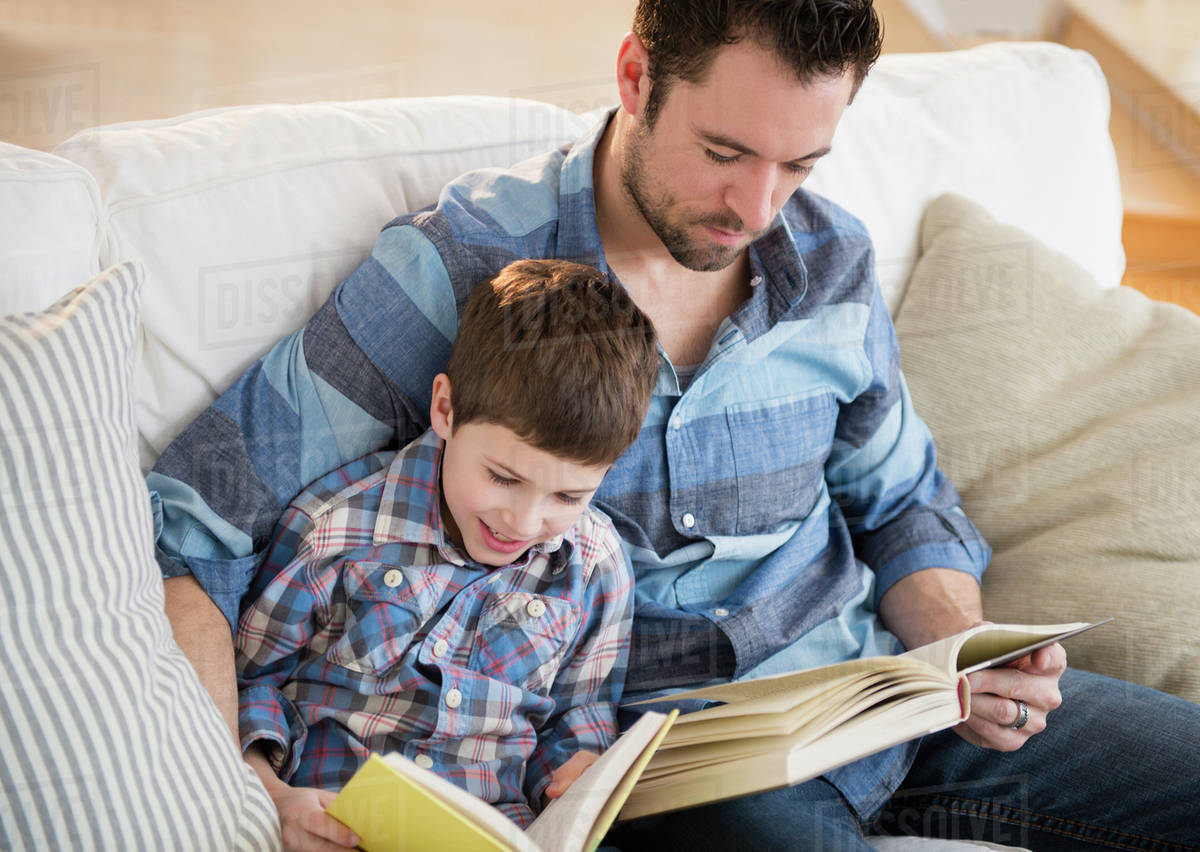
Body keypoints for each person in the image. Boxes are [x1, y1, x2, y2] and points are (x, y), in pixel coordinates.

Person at [149, 1, 1200, 848]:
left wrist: (959, 652)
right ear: (635, 78)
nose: (757, 206)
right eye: (725, 151)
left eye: (799, 165)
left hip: (886, 702)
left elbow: (903, 499)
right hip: (682, 767)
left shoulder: (829, 263)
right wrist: (246, 786)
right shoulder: (465, 267)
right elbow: (198, 523)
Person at [234, 259, 659, 849]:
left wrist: (575, 772)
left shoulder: (596, 563)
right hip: (340, 828)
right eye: (503, 477)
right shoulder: (336, 529)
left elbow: (578, 711)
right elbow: (249, 685)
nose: (525, 521)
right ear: (445, 410)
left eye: (567, 495)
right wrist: (273, 797)